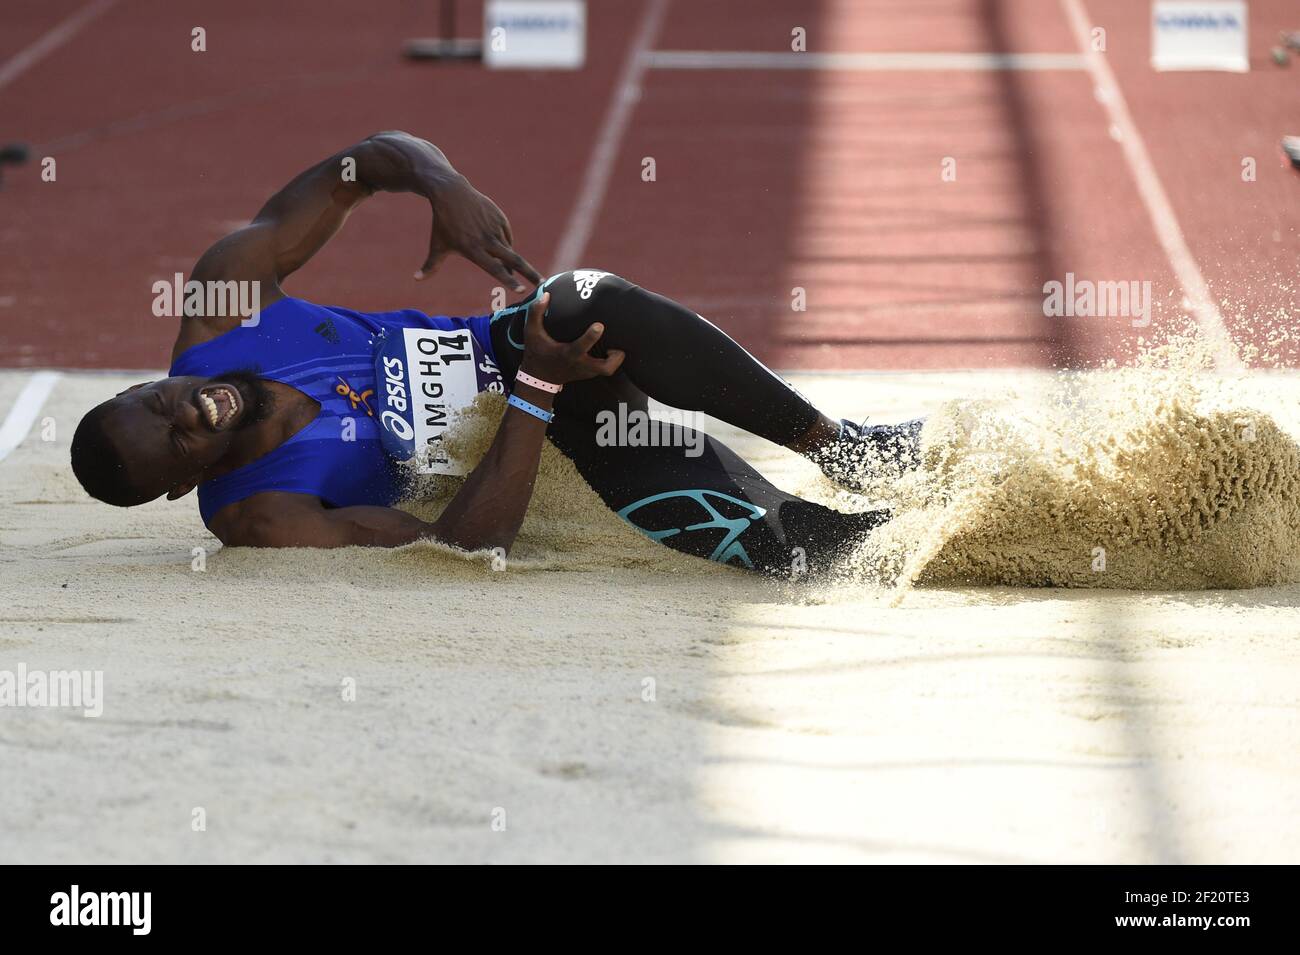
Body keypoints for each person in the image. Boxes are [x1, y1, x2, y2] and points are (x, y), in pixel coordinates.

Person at [70, 131, 920, 577]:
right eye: (179, 442)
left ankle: (837, 444)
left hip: (517, 345)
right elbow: (467, 545)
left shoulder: (228, 300)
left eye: (158, 401)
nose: (187, 412)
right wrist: (542, 386)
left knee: (584, 298)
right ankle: (903, 535)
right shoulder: (259, 516)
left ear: (153, 379)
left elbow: (361, 160)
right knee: (822, 553)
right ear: (188, 482)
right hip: (539, 444)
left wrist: (439, 185)